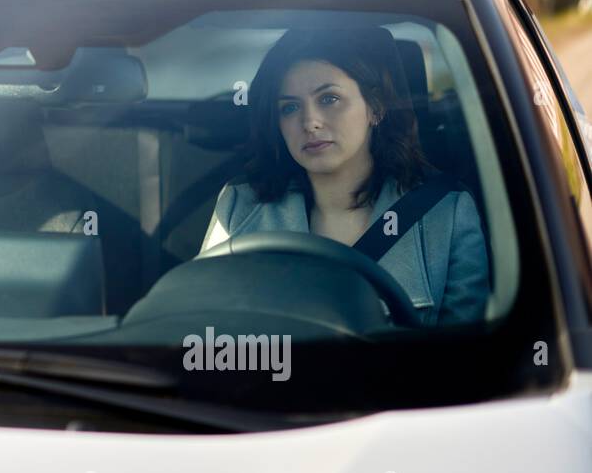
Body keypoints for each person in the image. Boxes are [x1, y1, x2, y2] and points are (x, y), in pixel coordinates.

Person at [200, 27, 490, 325]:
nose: (310, 122)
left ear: (375, 108)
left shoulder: (446, 214)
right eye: (289, 107)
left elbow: (465, 359)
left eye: (329, 99)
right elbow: (201, 323)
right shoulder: (240, 205)